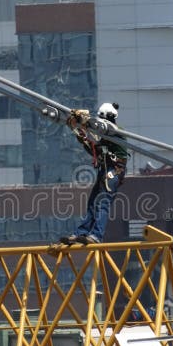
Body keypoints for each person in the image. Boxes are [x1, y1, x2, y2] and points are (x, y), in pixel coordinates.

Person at [61, 102, 128, 245]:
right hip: (105, 170)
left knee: (103, 202)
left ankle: (96, 235)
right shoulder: (104, 136)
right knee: (92, 203)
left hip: (114, 171)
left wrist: (84, 121)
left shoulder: (116, 131)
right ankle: (81, 233)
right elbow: (95, 150)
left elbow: (100, 127)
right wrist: (79, 132)